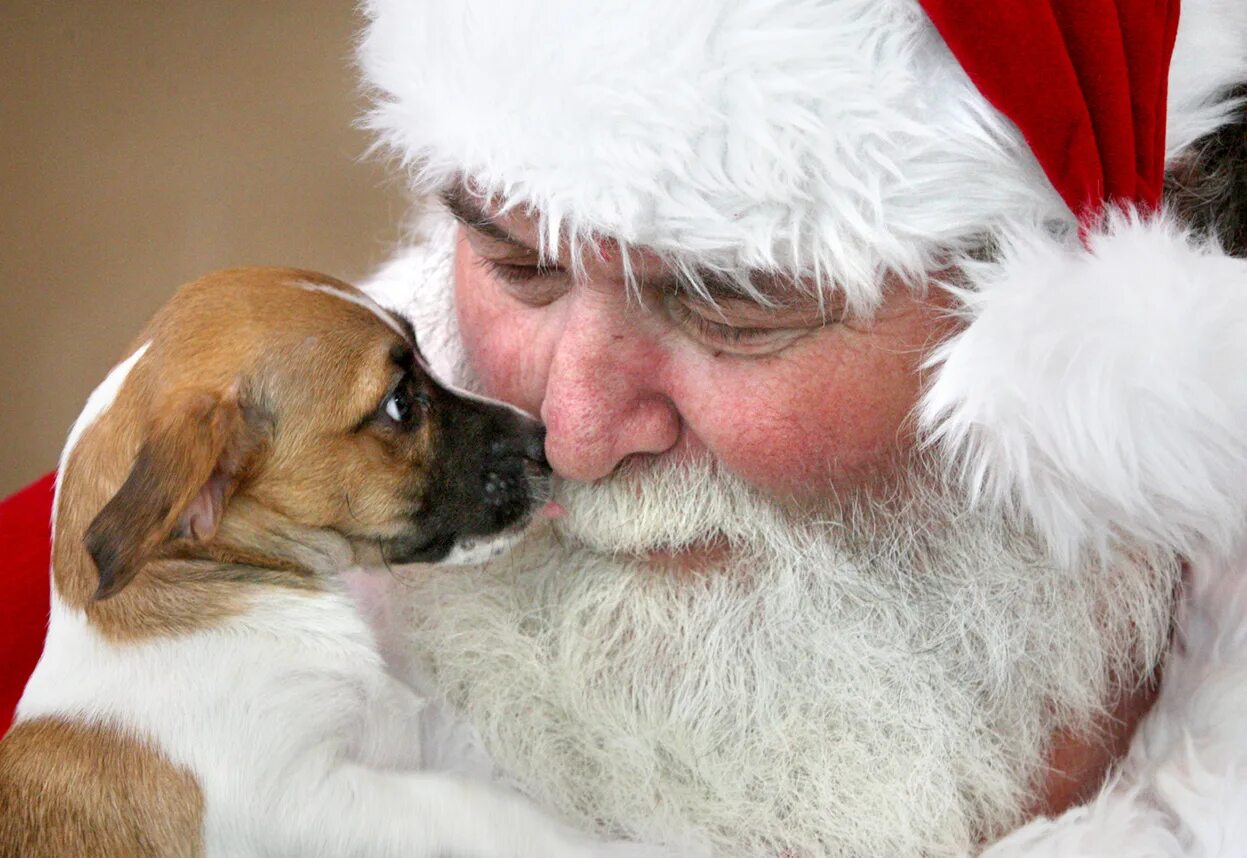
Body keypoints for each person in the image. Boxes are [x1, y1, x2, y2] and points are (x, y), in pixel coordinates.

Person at [4, 0, 1247, 854]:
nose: (573, 431)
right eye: (515, 260)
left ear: (1059, 335)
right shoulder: (70, 630)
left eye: (733, 301)